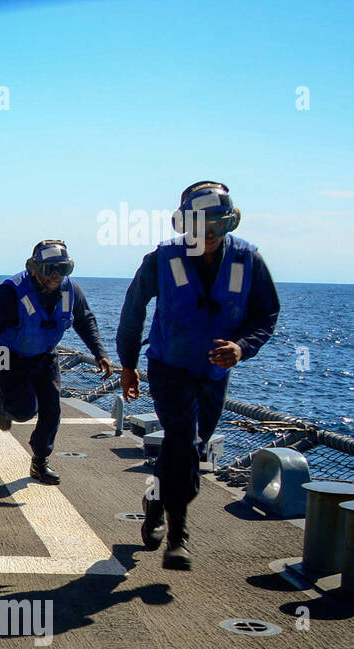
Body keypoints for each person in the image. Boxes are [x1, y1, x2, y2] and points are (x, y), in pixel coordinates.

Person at [116, 181, 280, 570]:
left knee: (188, 446)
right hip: (168, 368)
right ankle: (179, 535)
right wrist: (128, 363)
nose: (207, 236)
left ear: (230, 224)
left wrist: (241, 347)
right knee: (185, 442)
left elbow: (265, 314)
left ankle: (154, 501)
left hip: (213, 375)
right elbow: (134, 308)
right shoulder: (161, 259)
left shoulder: (249, 261)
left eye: (216, 227)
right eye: (198, 227)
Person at [0, 240, 113, 484]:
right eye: (50, 270)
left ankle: (39, 461)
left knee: (52, 408)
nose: (56, 277)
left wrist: (100, 353)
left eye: (63, 270)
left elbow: (85, 320)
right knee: (24, 411)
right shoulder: (10, 292)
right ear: (34, 269)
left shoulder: (71, 291)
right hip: (7, 354)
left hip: (45, 355)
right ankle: (5, 397)